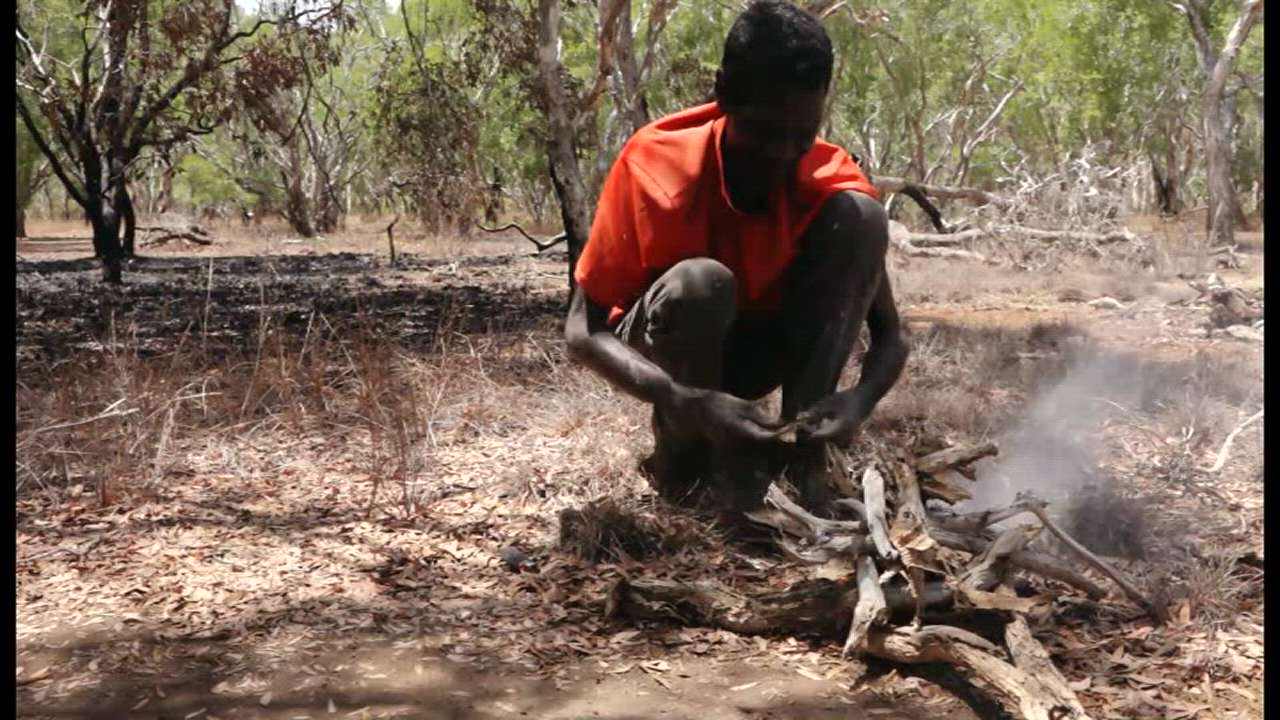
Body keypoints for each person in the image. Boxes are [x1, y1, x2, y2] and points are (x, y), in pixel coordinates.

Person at [564, 0, 908, 514]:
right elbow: (582, 330)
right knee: (701, 283)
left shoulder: (826, 182)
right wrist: (684, 399)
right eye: (766, 134)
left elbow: (892, 337)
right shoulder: (655, 167)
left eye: (802, 136)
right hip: (680, 355)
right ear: (723, 93)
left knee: (862, 216)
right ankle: (690, 460)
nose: (784, 155)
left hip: (764, 347)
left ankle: (802, 456)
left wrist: (858, 402)